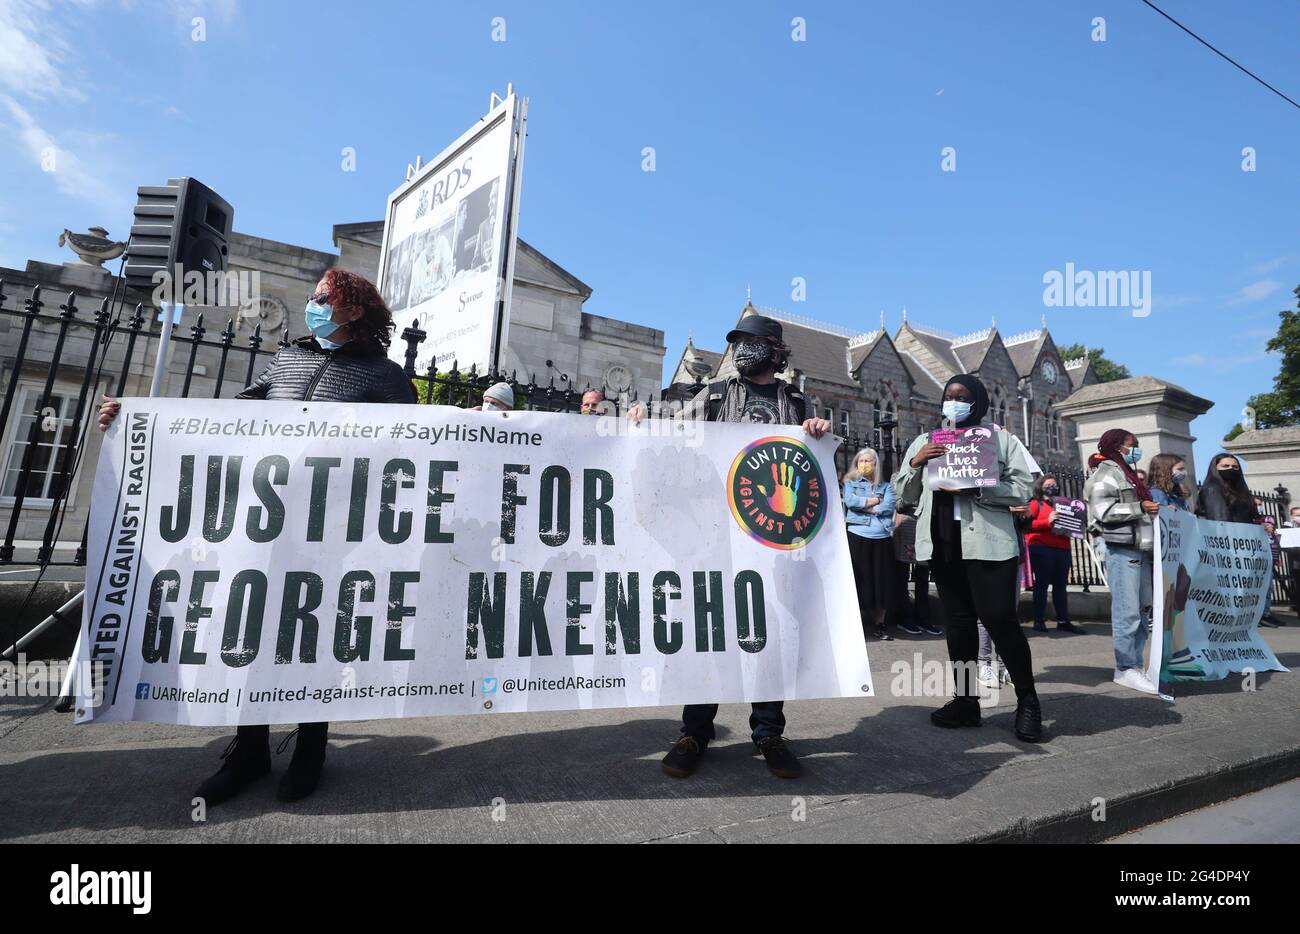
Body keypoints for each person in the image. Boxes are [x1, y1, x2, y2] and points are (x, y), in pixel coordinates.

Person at [98, 268, 416, 804]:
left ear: (352, 309)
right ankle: (248, 751)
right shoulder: (288, 360)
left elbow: (414, 451)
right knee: (251, 628)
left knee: (311, 635)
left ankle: (311, 748)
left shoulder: (387, 379)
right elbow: (229, 418)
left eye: (321, 298)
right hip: (261, 527)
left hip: (332, 534)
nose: (312, 305)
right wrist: (139, 418)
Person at [627, 314, 831, 779]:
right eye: (737, 342)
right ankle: (694, 731)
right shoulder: (716, 395)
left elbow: (811, 468)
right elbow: (677, 427)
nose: (741, 349)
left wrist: (816, 432)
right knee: (710, 629)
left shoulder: (795, 402)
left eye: (750, 341)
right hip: (714, 536)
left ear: (775, 350)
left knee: (770, 632)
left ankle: (769, 732)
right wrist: (641, 417)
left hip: (772, 540)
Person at [892, 373, 1043, 742]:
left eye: (962, 397)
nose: (954, 402)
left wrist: (982, 486)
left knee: (999, 621)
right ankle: (965, 701)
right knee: (957, 626)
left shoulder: (1001, 440)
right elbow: (902, 495)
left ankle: (1028, 701)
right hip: (943, 543)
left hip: (988, 545)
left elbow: (1024, 487)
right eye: (948, 396)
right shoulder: (928, 440)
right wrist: (915, 464)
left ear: (977, 402)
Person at [1083, 430, 1159, 695]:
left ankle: (1134, 665)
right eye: (1132, 445)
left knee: (1141, 610)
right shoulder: (1106, 474)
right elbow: (1102, 512)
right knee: (1127, 612)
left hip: (1140, 549)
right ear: (1117, 446)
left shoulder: (1126, 473)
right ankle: (1126, 667)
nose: (1136, 449)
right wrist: (1141, 508)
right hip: (1122, 550)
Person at [843, 448, 896, 641]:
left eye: (868, 460)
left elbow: (889, 505)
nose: (864, 464)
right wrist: (875, 501)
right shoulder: (851, 483)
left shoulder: (886, 486)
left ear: (875, 464)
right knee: (859, 579)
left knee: (880, 582)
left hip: (881, 536)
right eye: (861, 461)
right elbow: (850, 501)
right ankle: (855, 623)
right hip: (858, 534)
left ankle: (879, 623)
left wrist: (866, 506)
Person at [1026, 475, 1084, 634]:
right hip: (1041, 547)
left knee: (1060, 586)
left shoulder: (1064, 505)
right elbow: (1027, 525)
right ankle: (1039, 620)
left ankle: (1063, 620)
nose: (1053, 486)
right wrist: (1047, 521)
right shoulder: (1035, 504)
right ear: (1040, 486)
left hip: (1062, 548)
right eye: (1048, 484)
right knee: (1042, 585)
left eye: (1055, 484)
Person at [890, 508, 941, 636]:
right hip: (906, 521)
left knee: (923, 576)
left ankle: (923, 619)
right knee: (902, 575)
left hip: (925, 522)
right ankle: (904, 618)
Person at [1195, 453, 1259, 524]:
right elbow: (1220, 519)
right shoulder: (1212, 489)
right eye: (1225, 466)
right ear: (1215, 468)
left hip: (1246, 532)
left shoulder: (1241, 491)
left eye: (1235, 466)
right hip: (1229, 533)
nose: (1231, 468)